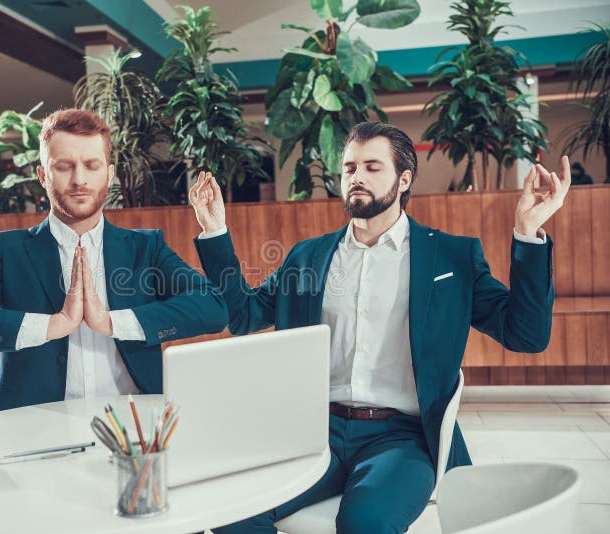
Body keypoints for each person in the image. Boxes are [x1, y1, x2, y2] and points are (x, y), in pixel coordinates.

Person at [191, 121, 569, 533]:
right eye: (350, 168)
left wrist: (528, 232)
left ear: (404, 179)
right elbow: (243, 315)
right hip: (313, 432)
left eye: (373, 167)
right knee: (232, 512)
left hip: (402, 438)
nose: (357, 177)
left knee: (365, 524)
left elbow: (526, 335)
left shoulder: (451, 258)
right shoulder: (308, 257)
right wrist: (215, 232)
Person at [0, 108, 227, 412]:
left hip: (137, 420)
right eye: (64, 166)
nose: (79, 179)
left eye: (91, 165)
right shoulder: (8, 251)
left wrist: (111, 322)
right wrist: (53, 325)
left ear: (109, 175)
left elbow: (213, 307)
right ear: (43, 175)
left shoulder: (145, 248)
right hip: (35, 427)